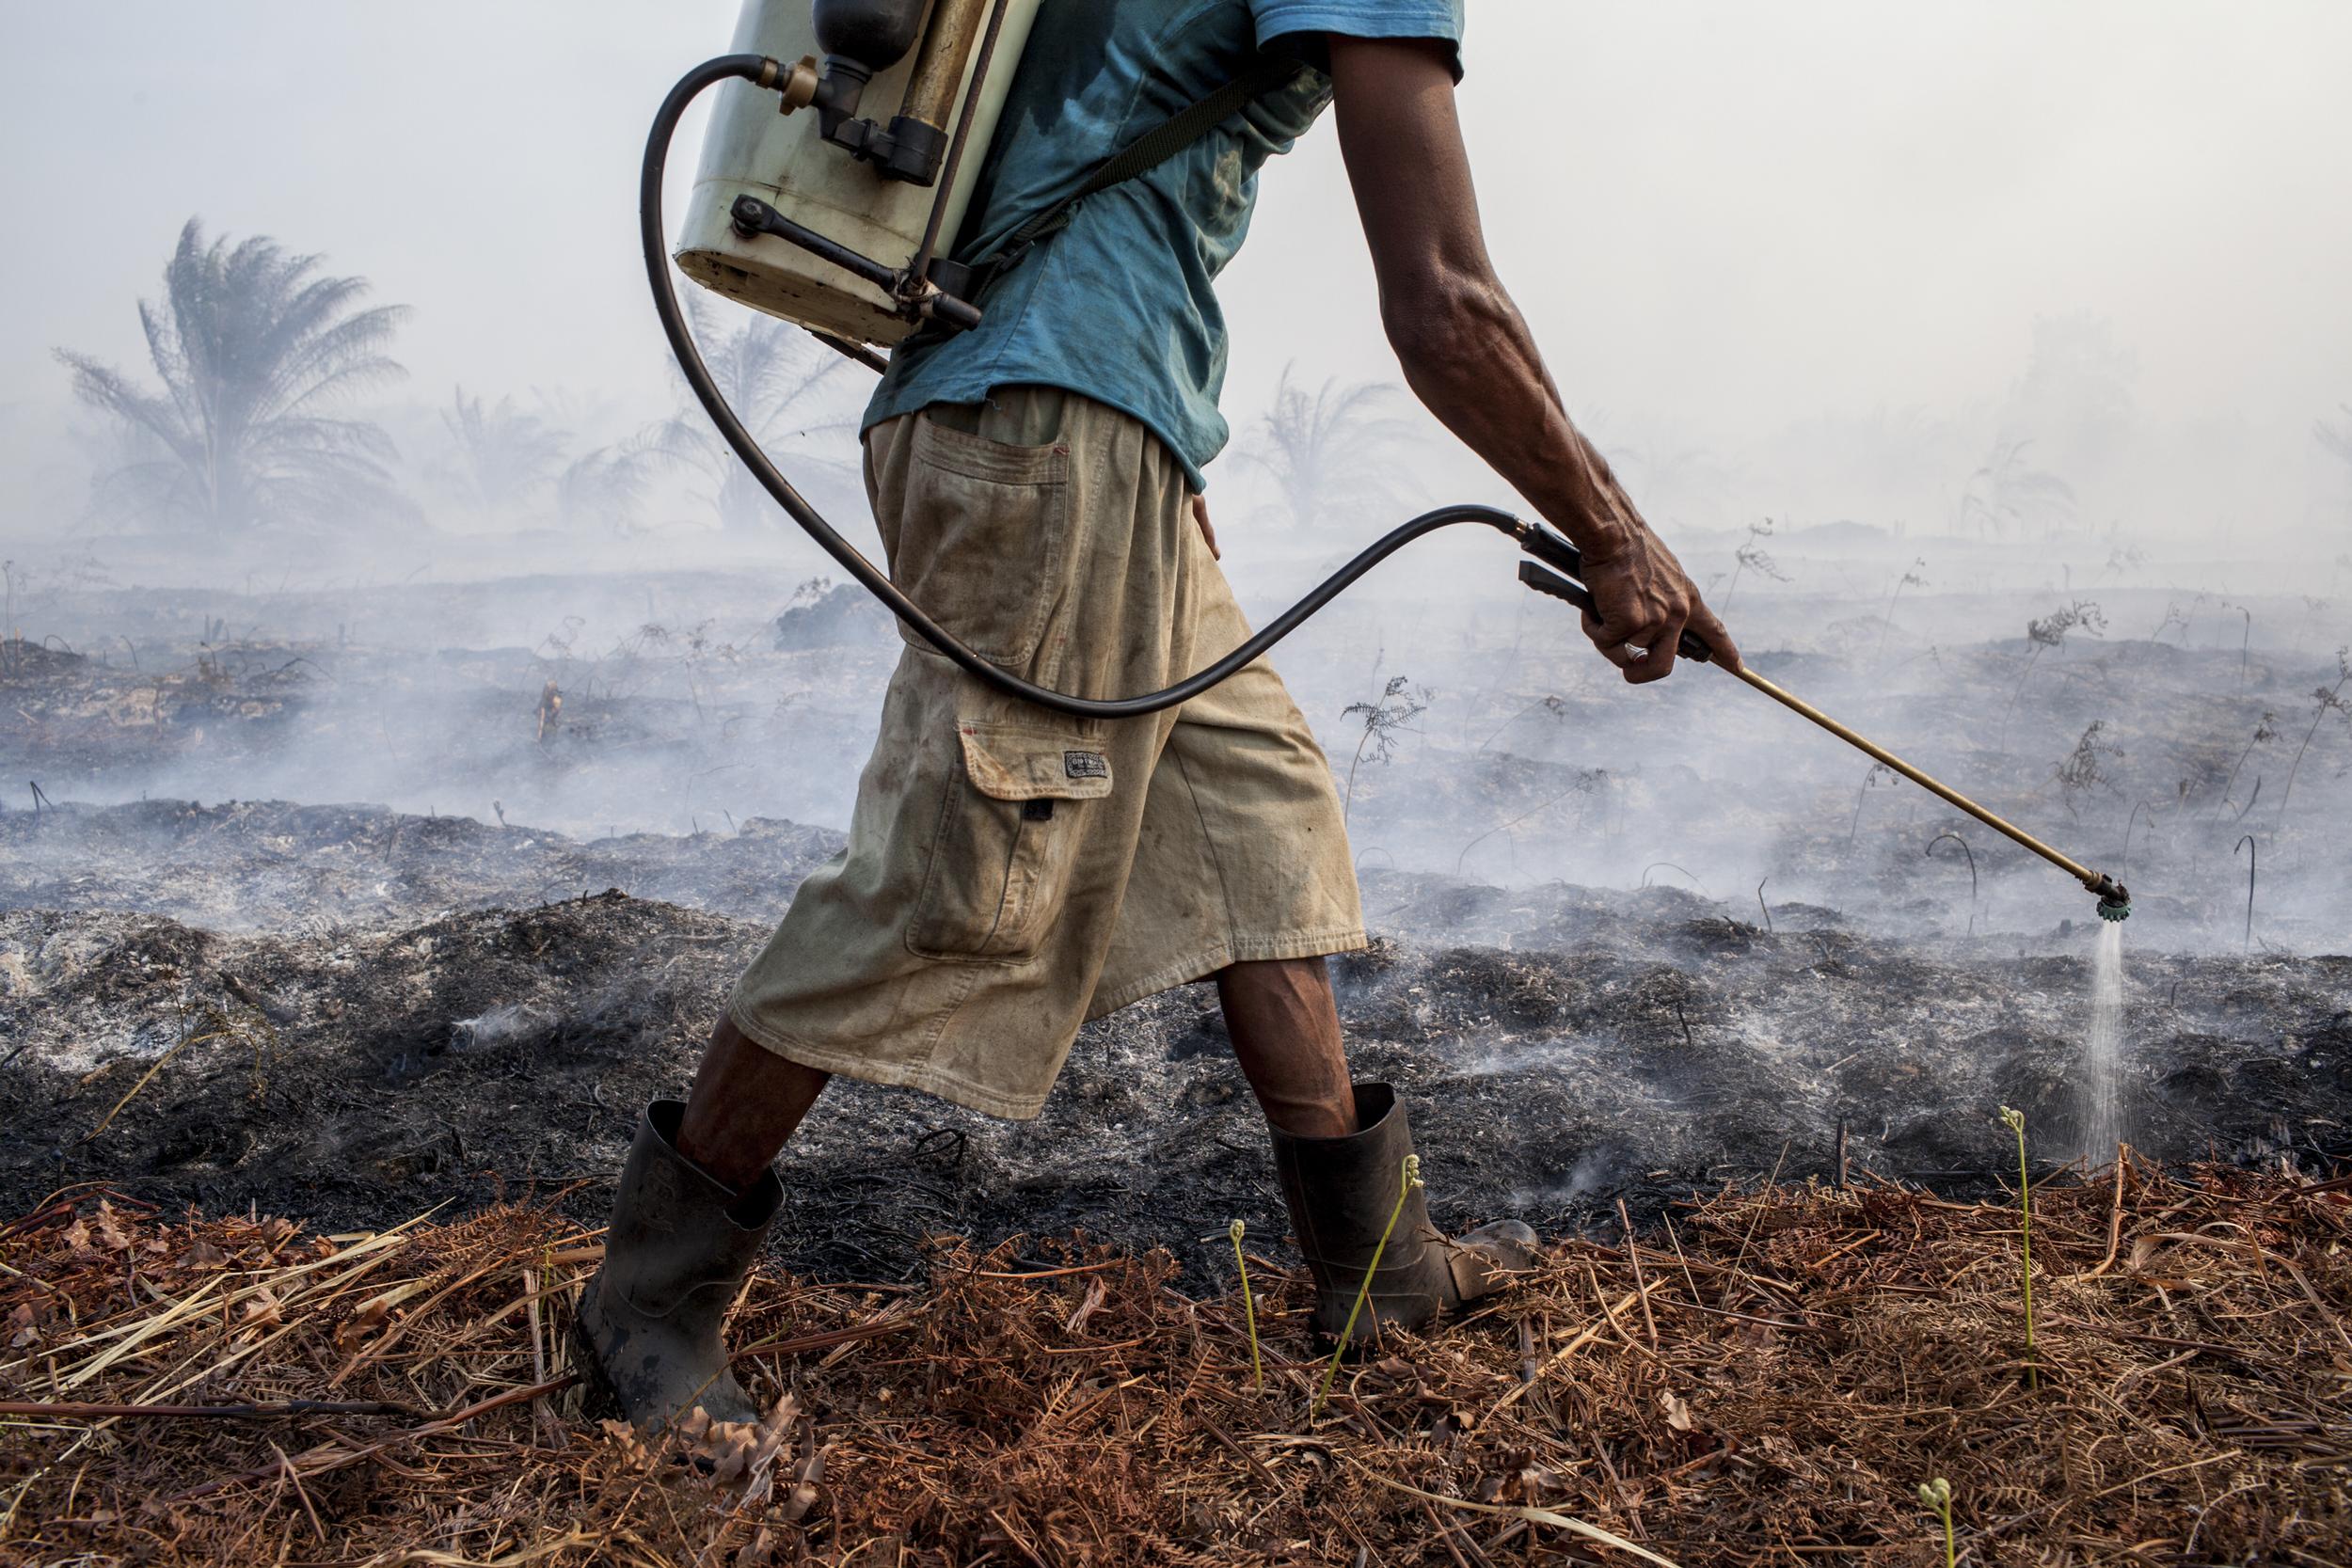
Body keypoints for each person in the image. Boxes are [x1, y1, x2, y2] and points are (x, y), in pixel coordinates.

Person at [581, 0, 1742, 1432]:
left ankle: (1382, 1270)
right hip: (1056, 423)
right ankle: (649, 1307)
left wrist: (1146, 445)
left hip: (1078, 422)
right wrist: (1616, 533)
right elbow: (1442, 298)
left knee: (1258, 824)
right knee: (955, 884)